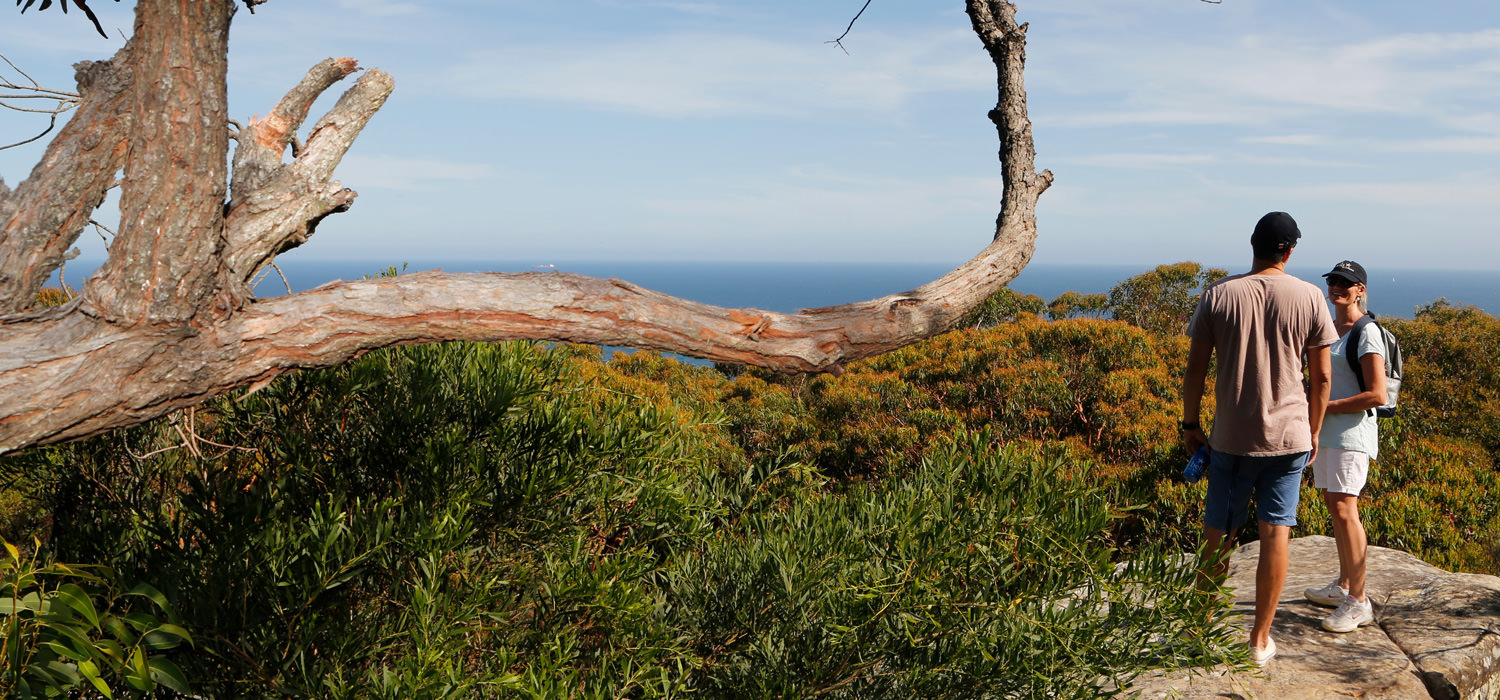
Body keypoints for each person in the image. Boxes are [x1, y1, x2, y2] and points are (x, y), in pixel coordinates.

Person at [1181, 211, 1337, 666]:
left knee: (1218, 536)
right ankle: (1258, 641)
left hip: (1230, 437)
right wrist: (1313, 430)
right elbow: (1323, 377)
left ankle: (1199, 631)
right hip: (1289, 439)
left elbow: (1195, 369)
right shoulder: (1310, 298)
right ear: (1290, 251)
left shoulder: (1219, 295)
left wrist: (1191, 425)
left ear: (1252, 244)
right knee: (1276, 533)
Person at [1303, 260, 1386, 633]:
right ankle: (1343, 586)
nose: (1337, 287)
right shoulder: (1332, 330)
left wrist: (1325, 407)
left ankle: (1359, 601)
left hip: (1351, 434)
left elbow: (1377, 394)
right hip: (1327, 433)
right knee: (1334, 507)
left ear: (1360, 290)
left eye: (1346, 283)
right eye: (1334, 281)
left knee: (1344, 508)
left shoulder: (1366, 333)